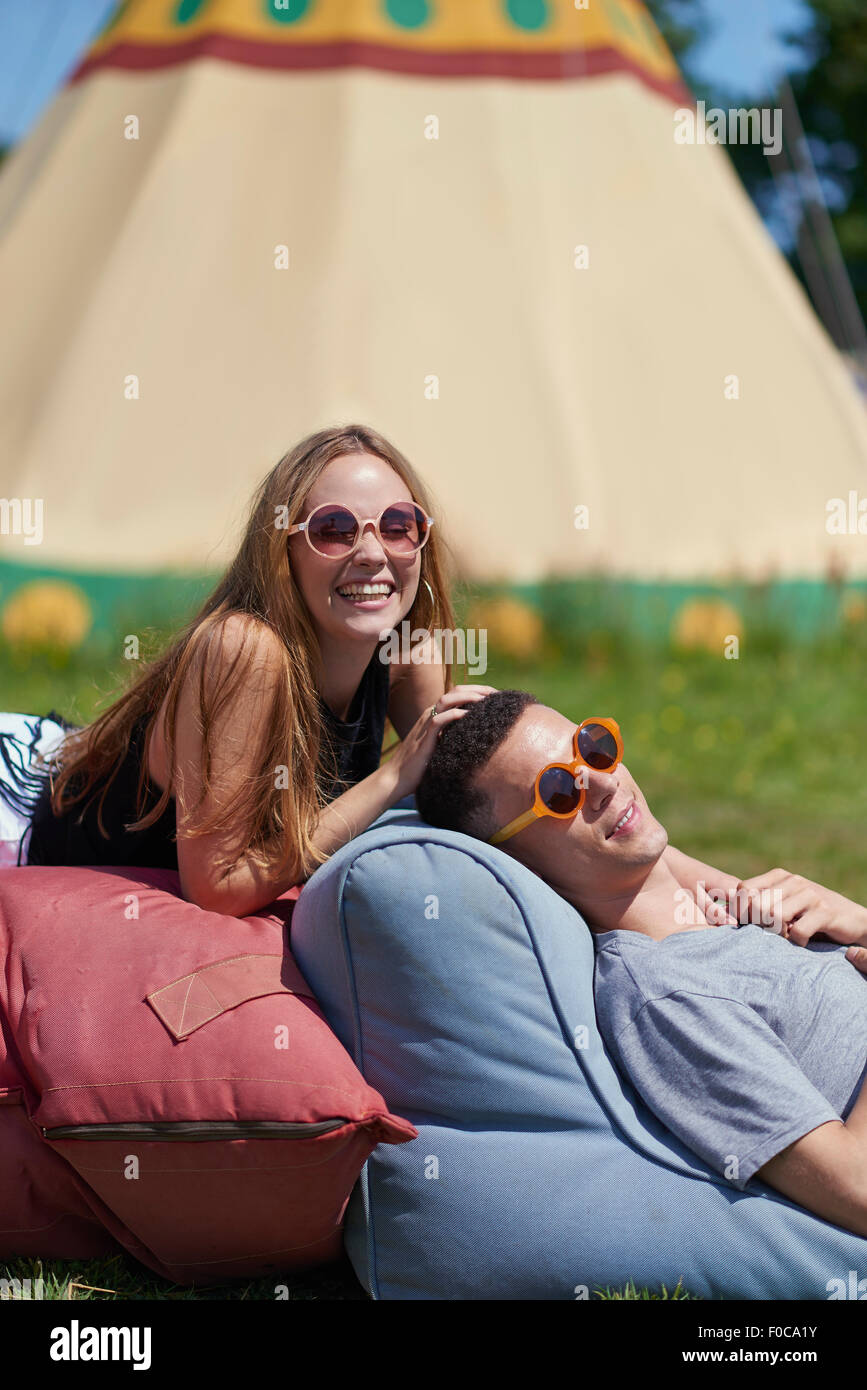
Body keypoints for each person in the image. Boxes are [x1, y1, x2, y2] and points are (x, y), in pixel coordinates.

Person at [416, 688, 867, 1241]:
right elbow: (858, 1190)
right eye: (558, 791)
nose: (604, 784)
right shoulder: (664, 994)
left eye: (593, 747)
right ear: (512, 860)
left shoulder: (720, 910)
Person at [0, 424, 494, 914]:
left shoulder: (409, 655)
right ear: (284, 550)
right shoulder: (246, 651)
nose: (372, 553)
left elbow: (462, 801)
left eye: (397, 526)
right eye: (334, 529)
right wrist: (391, 777)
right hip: (20, 816)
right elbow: (218, 886)